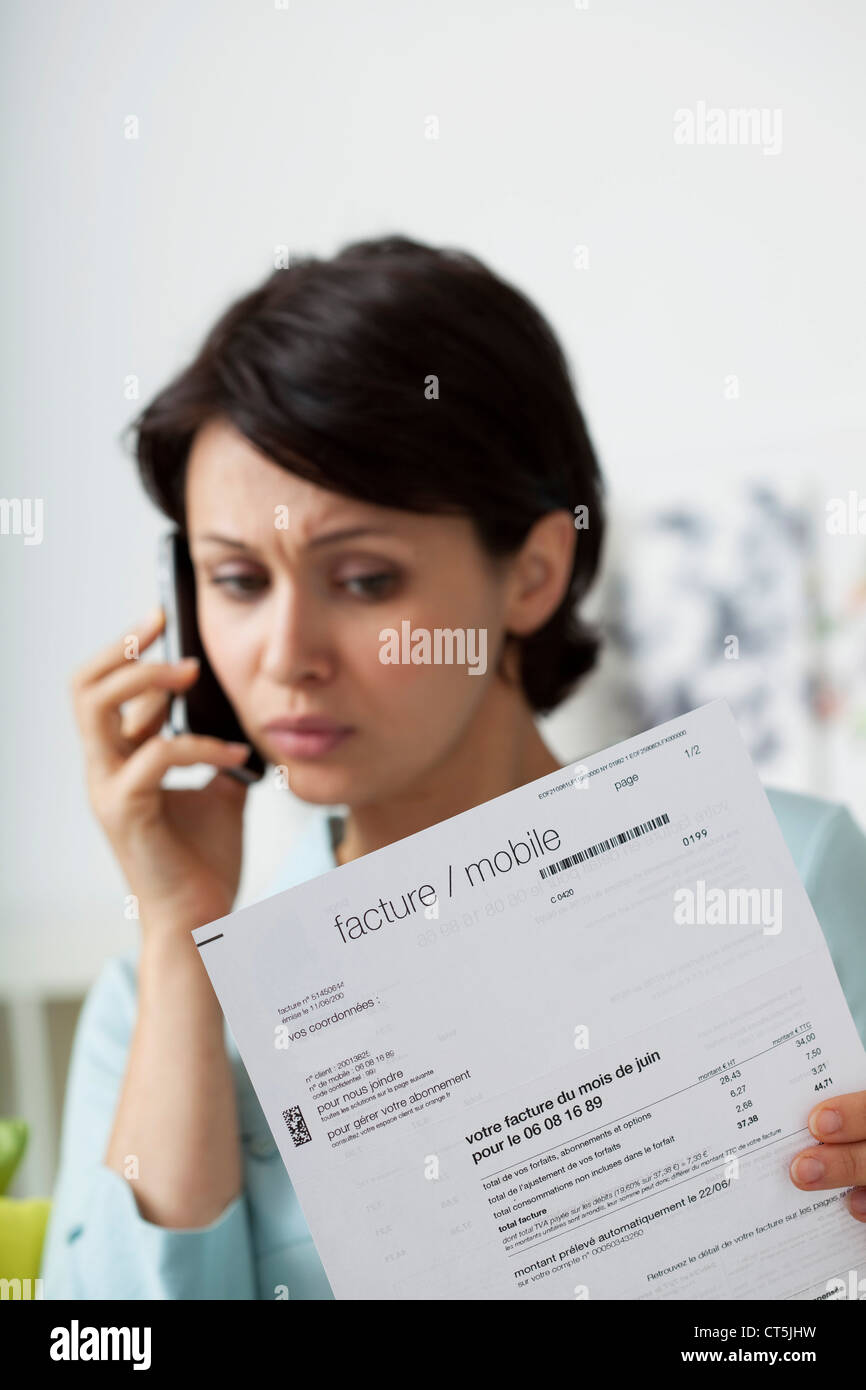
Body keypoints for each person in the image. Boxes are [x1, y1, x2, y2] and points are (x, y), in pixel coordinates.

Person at [41, 235, 866, 1300]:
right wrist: (177, 931)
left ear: (531, 571)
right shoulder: (159, 1000)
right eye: (236, 580)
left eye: (365, 578)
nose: (286, 654)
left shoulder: (784, 868)